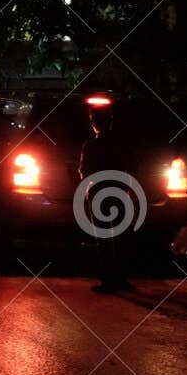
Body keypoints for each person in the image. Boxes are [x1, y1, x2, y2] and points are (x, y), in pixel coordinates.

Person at [78, 103, 138, 294]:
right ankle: (120, 278)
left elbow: (84, 170)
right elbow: (134, 166)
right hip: (120, 192)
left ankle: (108, 279)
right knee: (120, 238)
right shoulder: (122, 144)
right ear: (111, 121)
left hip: (98, 194)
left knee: (103, 239)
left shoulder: (91, 145)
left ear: (93, 123)